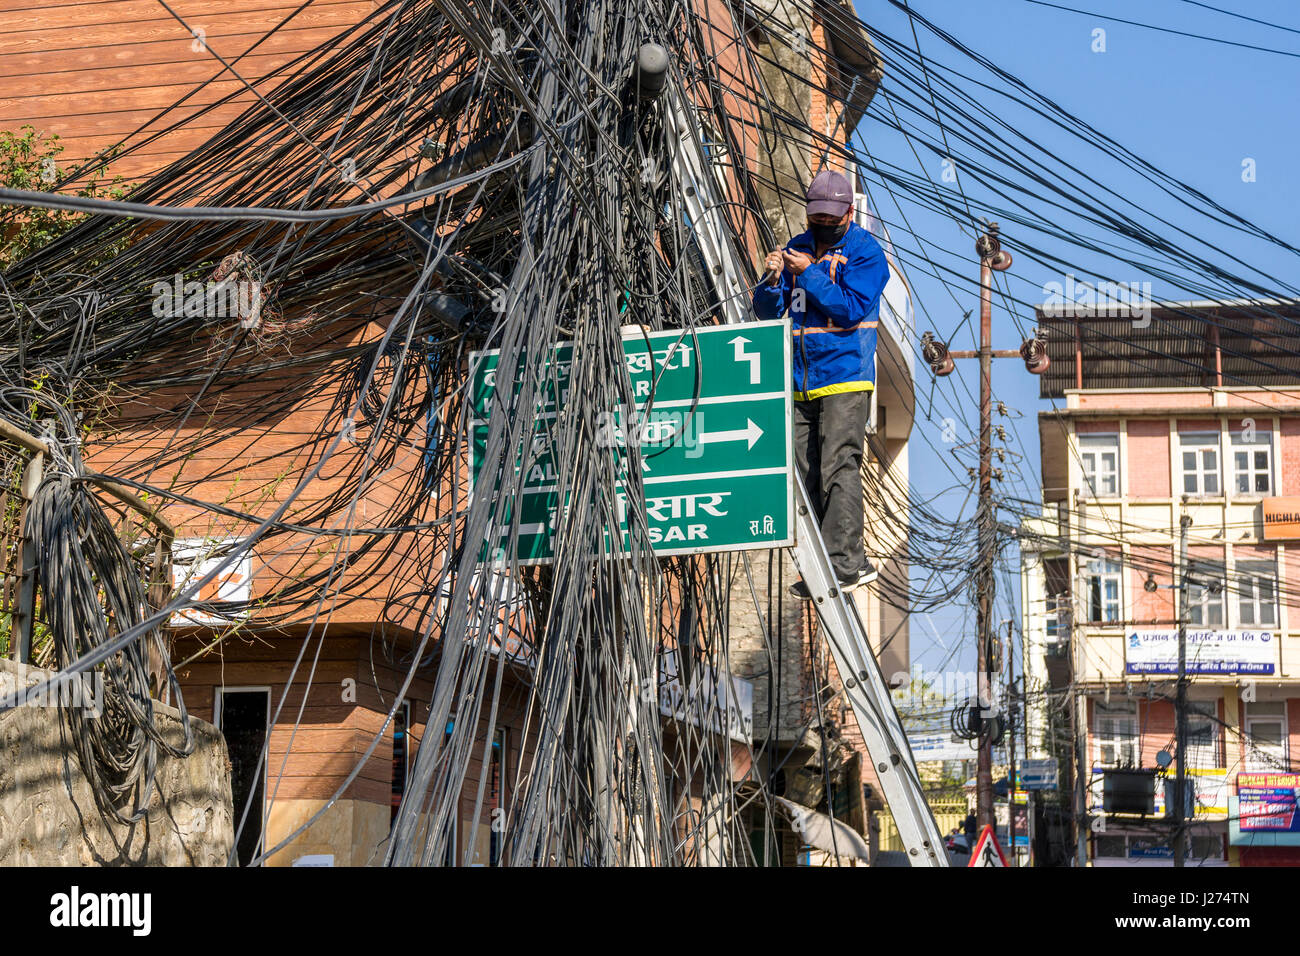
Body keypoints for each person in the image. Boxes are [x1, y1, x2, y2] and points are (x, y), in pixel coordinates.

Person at [752, 169, 890, 598]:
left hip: (844, 377)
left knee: (838, 464)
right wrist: (773, 280)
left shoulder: (866, 254)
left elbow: (848, 309)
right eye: (818, 218)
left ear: (849, 212)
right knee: (803, 475)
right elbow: (771, 312)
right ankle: (820, 564)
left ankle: (847, 563)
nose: (825, 226)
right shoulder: (797, 247)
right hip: (799, 379)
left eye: (832, 219)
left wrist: (810, 272)